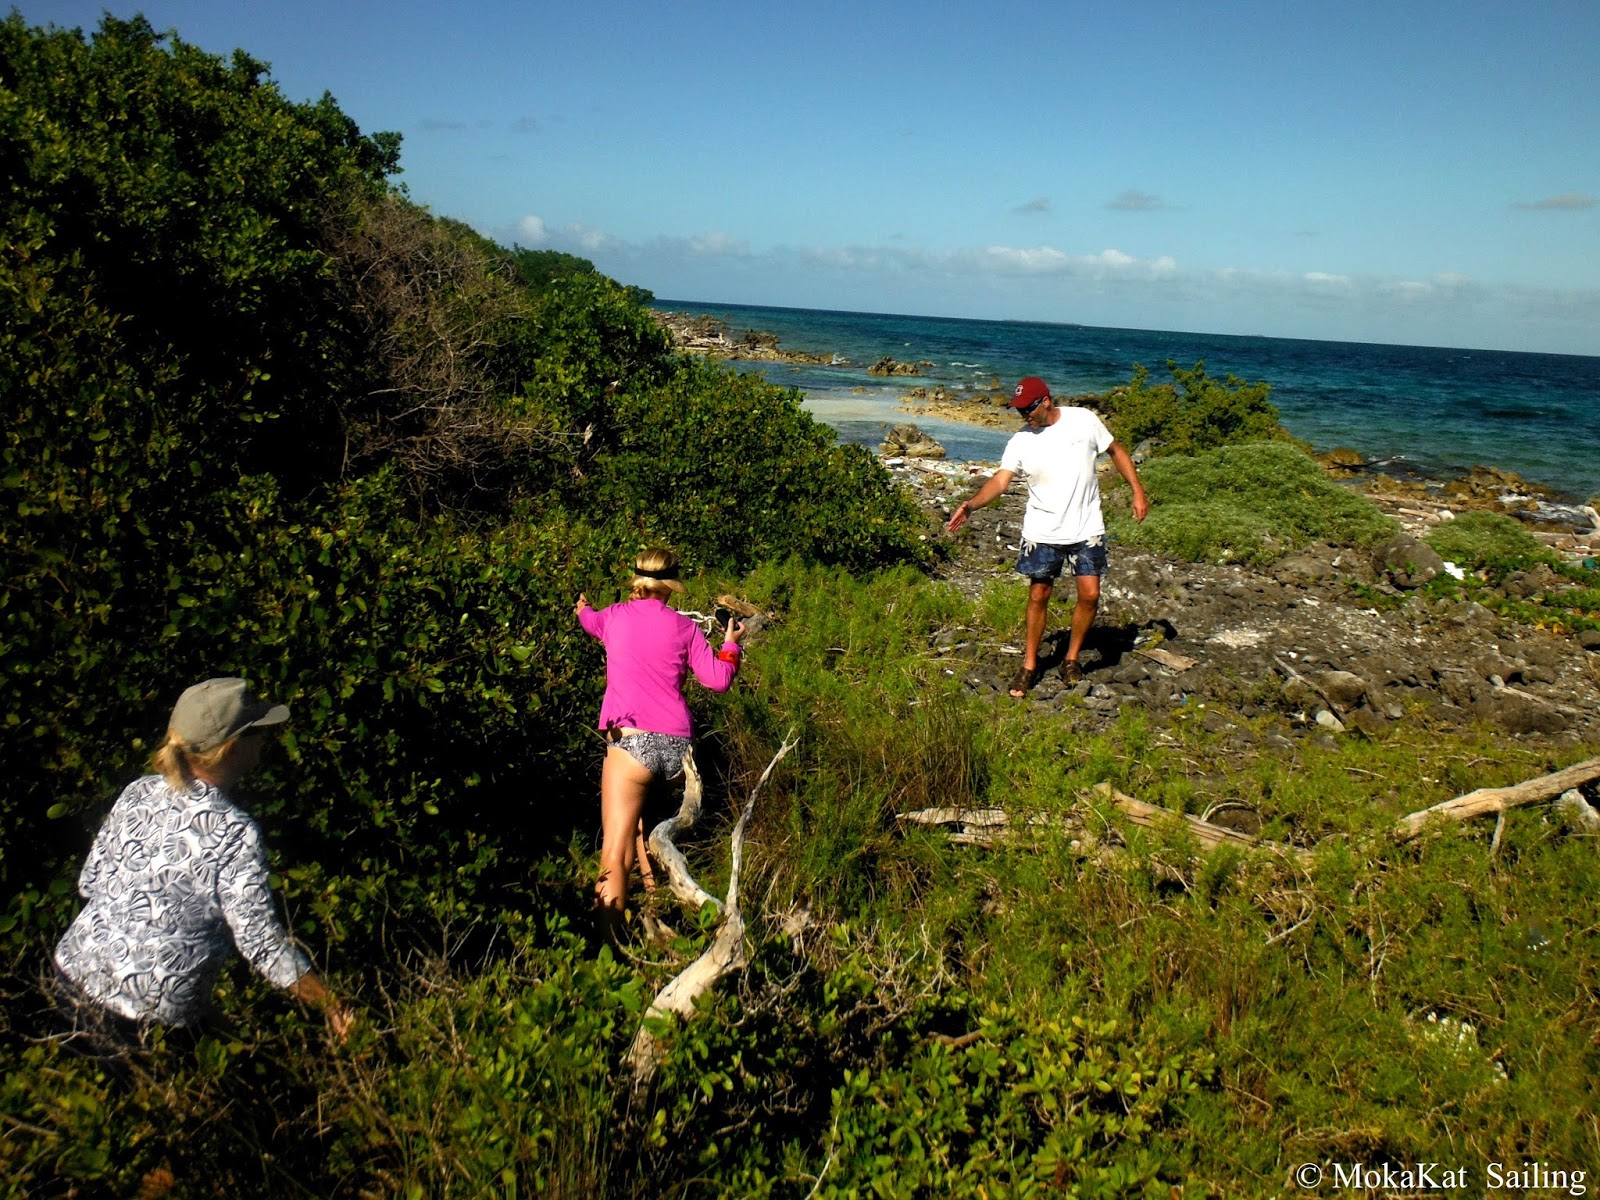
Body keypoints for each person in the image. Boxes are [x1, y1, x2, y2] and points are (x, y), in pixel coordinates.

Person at [52, 678, 353, 1047]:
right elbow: (261, 944)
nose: (265, 739)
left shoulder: (138, 791)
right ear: (231, 748)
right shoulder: (235, 833)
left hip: (69, 974)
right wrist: (330, 1003)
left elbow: (91, 882)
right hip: (143, 1020)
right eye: (255, 732)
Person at [575, 547, 744, 935]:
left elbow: (588, 620)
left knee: (614, 851)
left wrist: (582, 607)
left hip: (631, 747)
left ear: (637, 582)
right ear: (670, 587)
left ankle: (608, 953)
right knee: (647, 832)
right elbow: (719, 680)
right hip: (678, 752)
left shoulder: (613, 617)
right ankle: (663, 908)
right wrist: (732, 645)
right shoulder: (686, 629)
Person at [945, 376, 1149, 697]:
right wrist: (971, 504)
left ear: (1046, 401)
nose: (1024, 415)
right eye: (1018, 409)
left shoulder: (1083, 421)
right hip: (1042, 530)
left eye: (1028, 408)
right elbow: (1000, 482)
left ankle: (1071, 658)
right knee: (1039, 594)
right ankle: (1029, 665)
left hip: (1086, 526)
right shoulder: (1021, 441)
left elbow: (1117, 451)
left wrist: (1138, 491)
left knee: (1090, 595)